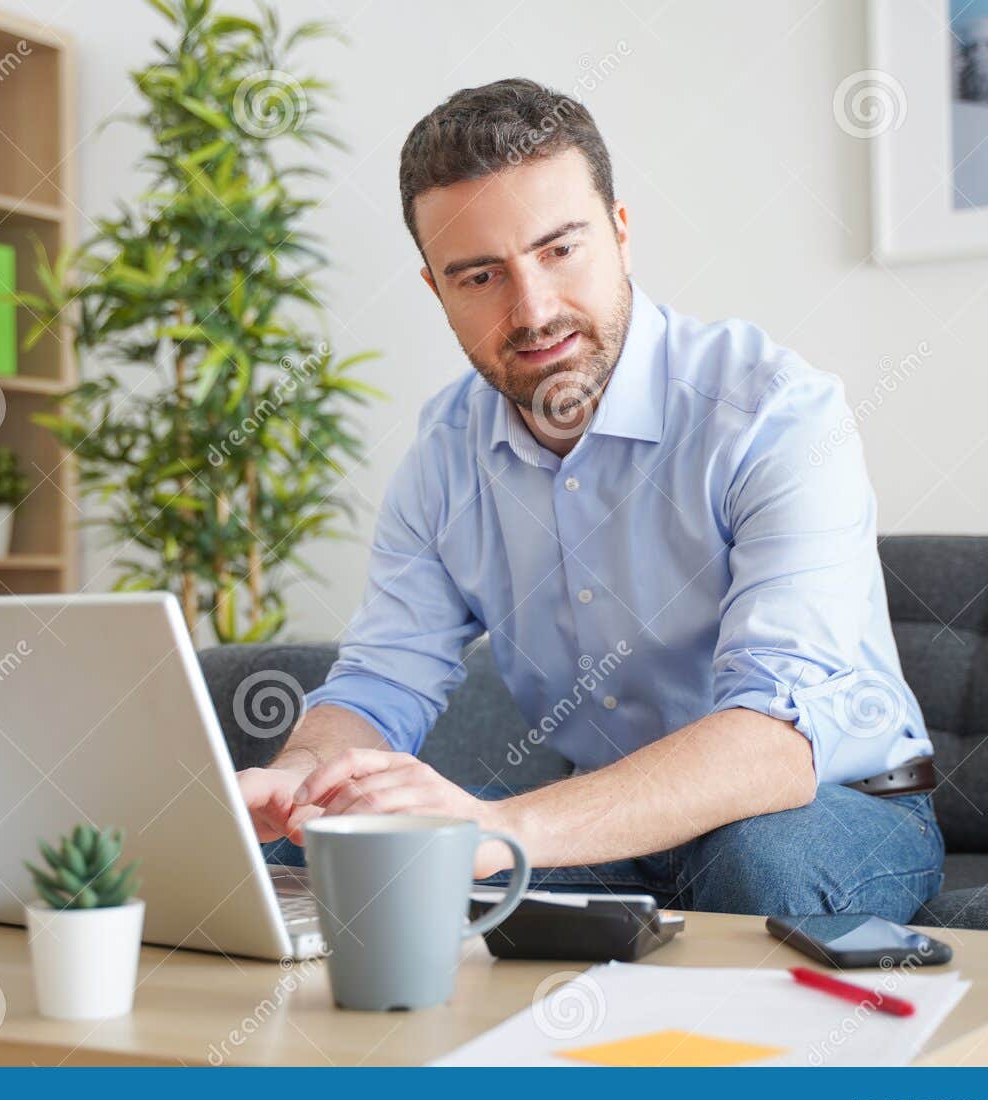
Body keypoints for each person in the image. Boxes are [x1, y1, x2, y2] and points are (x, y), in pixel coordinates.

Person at [236, 78, 943, 920]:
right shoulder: (444, 456)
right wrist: (297, 779)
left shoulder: (774, 413)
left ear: (620, 232)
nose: (533, 310)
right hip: (602, 825)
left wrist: (499, 829)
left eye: (560, 250)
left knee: (760, 863)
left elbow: (777, 743)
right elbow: (380, 680)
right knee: (314, 844)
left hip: (825, 805)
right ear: (437, 291)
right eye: (481, 276)